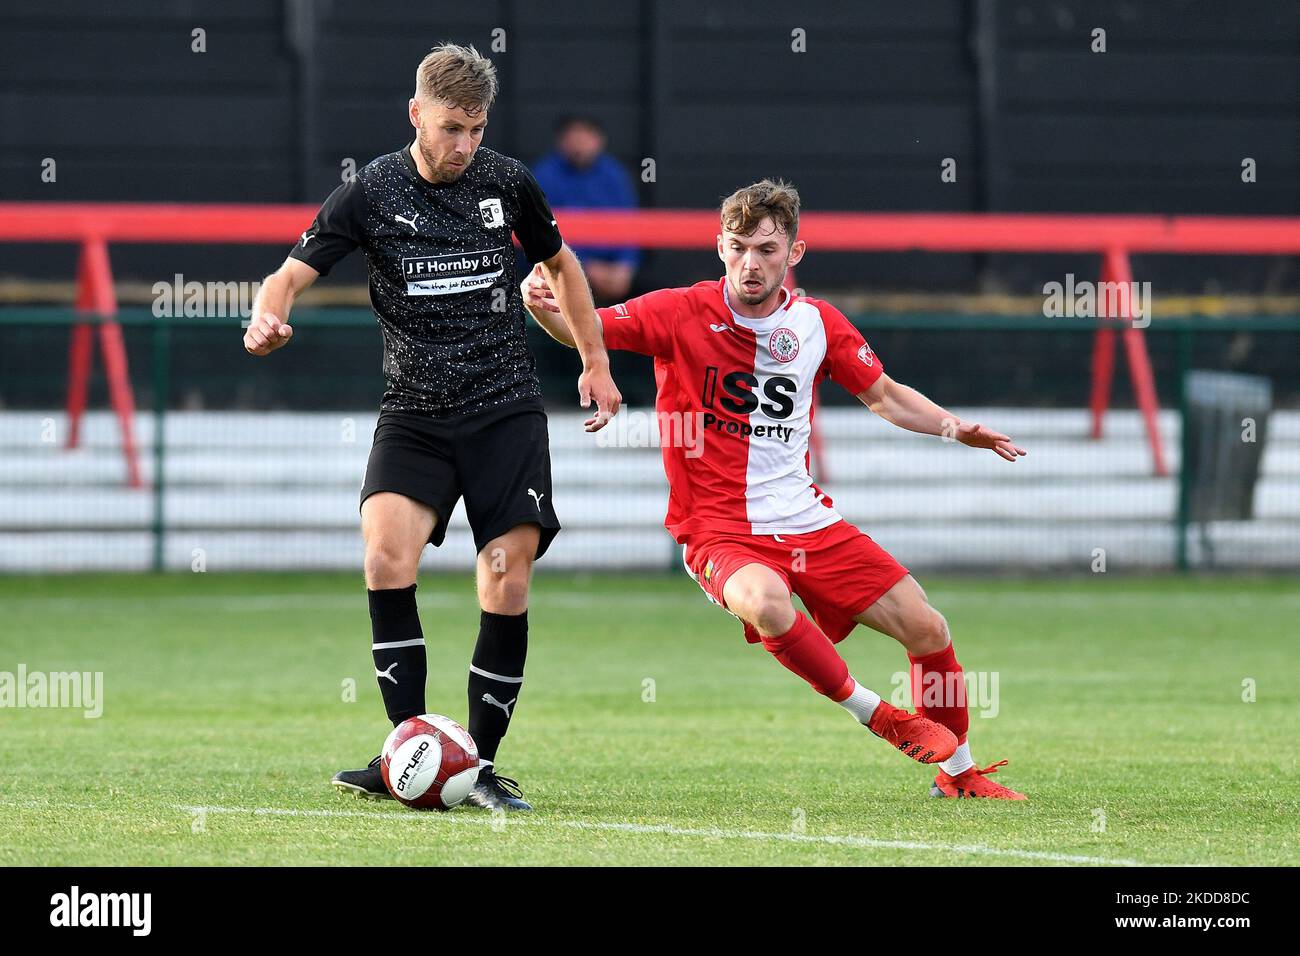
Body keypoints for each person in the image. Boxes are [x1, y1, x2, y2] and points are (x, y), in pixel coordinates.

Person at [522, 178, 1027, 799]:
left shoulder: (817, 324)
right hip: (717, 528)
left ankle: (960, 774)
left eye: (766, 249)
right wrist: (545, 307)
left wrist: (955, 428)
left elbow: (886, 396)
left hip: (806, 520)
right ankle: (877, 713)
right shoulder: (679, 311)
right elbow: (587, 331)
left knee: (927, 627)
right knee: (765, 603)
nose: (750, 263)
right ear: (719, 247)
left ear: (795, 253)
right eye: (738, 248)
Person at [242, 43, 621, 811]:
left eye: (477, 129)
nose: (465, 145)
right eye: (452, 128)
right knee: (385, 557)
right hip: (413, 413)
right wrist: (268, 313)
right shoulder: (372, 191)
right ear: (416, 113)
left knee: (505, 572)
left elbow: (565, 266)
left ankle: (479, 767)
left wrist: (595, 360)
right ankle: (407, 752)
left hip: (503, 407)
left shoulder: (507, 182)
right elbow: (288, 274)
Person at [532, 115, 640, 303]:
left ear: (599, 140)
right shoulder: (543, 175)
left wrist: (625, 266)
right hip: (560, 270)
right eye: (574, 137)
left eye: (586, 137)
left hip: (615, 273)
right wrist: (586, 267)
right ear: (561, 140)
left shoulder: (614, 174)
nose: (580, 144)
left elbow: (630, 224)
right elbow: (542, 231)